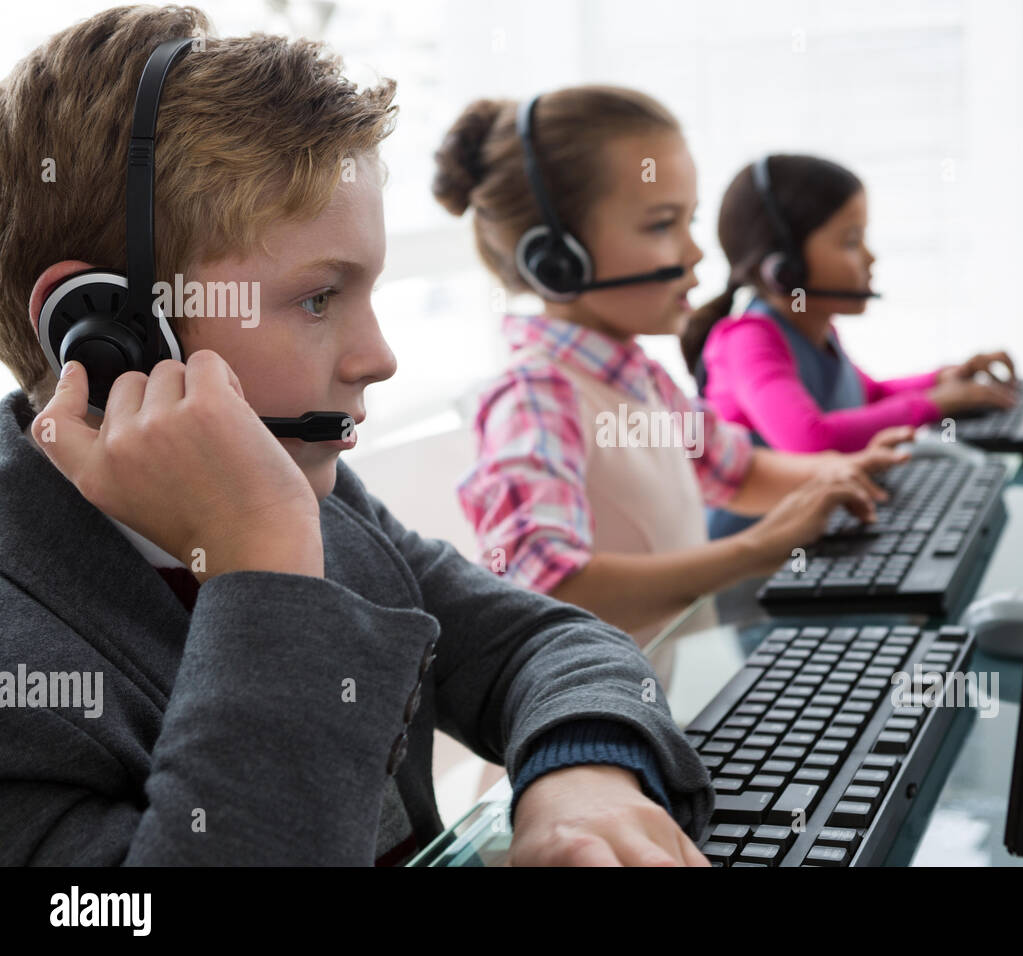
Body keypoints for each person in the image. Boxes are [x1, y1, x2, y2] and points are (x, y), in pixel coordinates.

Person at [0, 5, 714, 867]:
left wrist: (583, 773)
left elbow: (546, 639)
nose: (380, 358)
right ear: (107, 334)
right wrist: (263, 569)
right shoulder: (29, 669)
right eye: (318, 298)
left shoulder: (333, 512)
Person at [441, 88, 911, 643]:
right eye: (662, 225)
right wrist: (751, 552)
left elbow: (736, 470)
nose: (695, 253)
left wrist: (843, 474)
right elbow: (547, 587)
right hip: (598, 721)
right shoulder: (536, 394)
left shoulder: (640, 379)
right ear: (558, 260)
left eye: (689, 221)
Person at [681, 154, 1018, 538]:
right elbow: (811, 439)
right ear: (785, 267)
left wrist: (943, 379)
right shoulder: (749, 340)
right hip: (752, 571)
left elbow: (867, 394)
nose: (870, 257)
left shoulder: (815, 330)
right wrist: (938, 404)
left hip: (818, 539)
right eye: (851, 241)